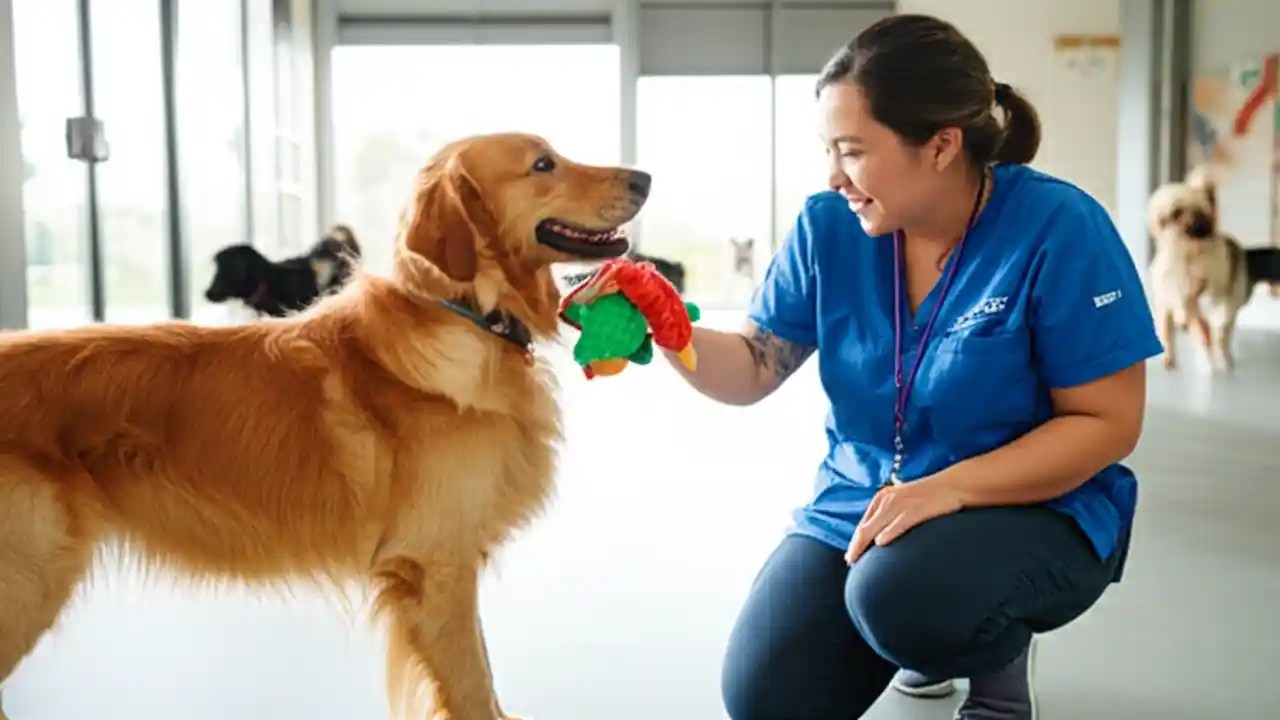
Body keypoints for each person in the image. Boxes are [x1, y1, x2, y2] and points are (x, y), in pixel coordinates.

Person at [662, 13, 1163, 720]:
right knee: (767, 699)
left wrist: (948, 490)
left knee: (902, 597)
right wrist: (665, 324)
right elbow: (751, 368)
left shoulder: (1060, 229)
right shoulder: (827, 227)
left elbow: (1106, 423)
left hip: (1032, 507)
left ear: (940, 145)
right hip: (863, 505)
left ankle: (991, 659)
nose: (834, 175)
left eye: (853, 151)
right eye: (827, 150)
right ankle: (925, 621)